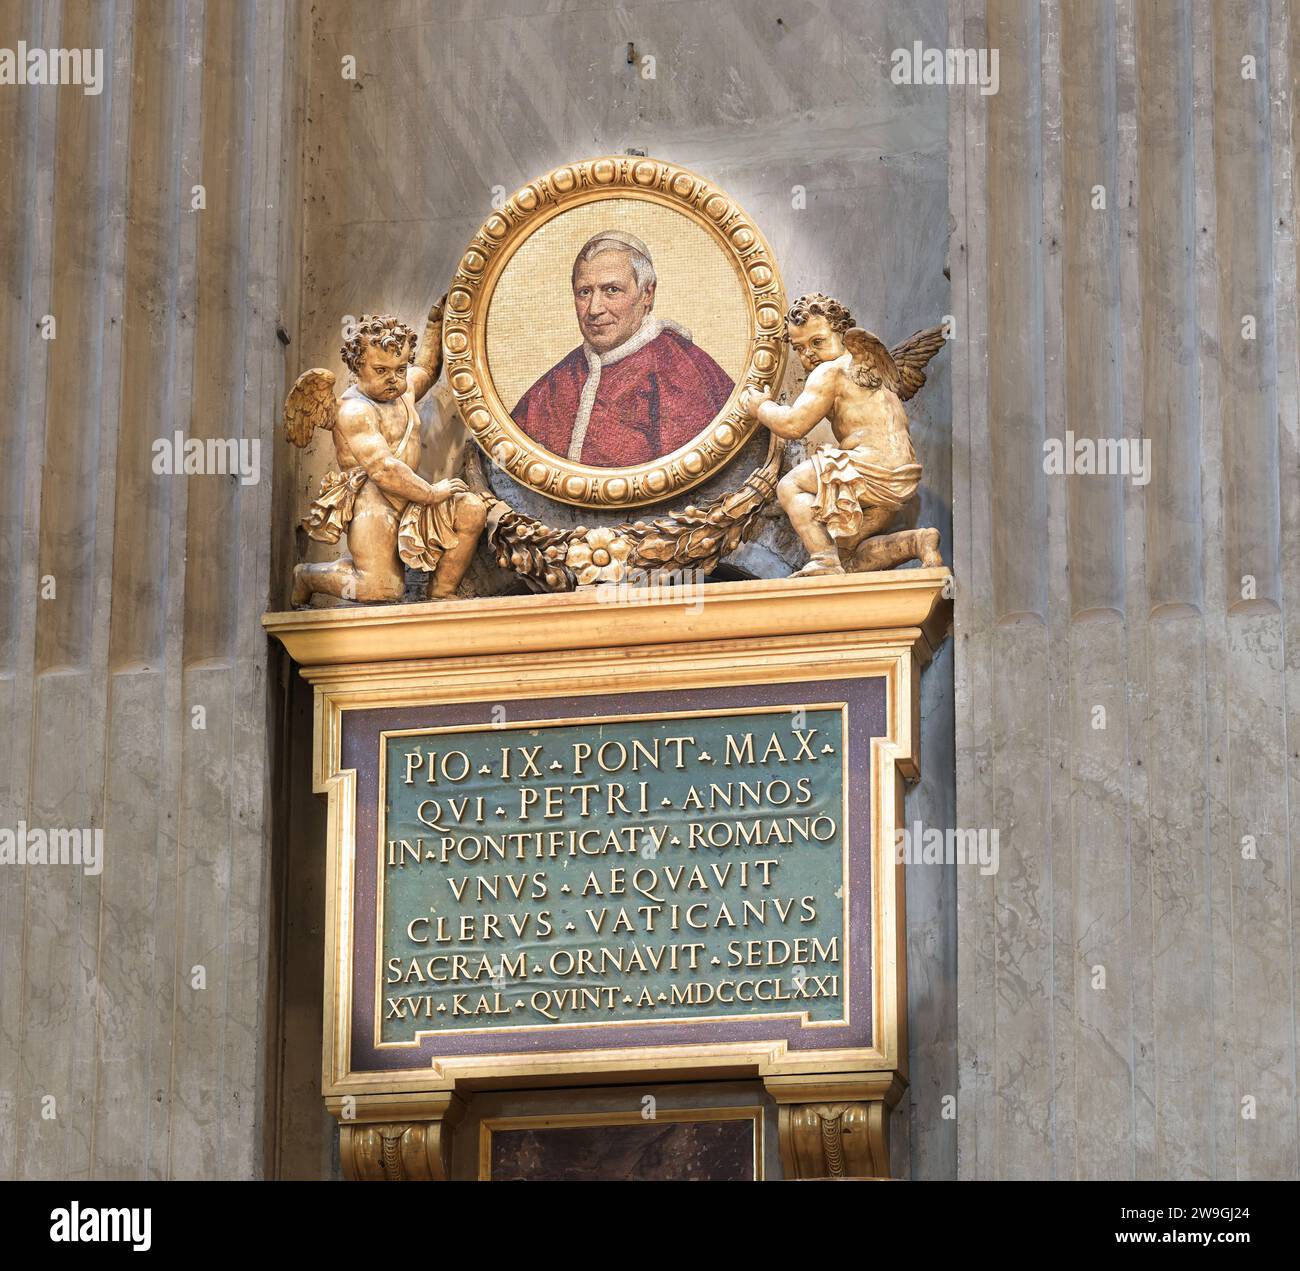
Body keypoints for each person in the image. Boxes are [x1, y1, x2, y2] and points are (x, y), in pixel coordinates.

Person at [511, 231, 734, 467]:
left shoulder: (683, 366)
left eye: (612, 290)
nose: (594, 308)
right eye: (584, 292)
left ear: (647, 293)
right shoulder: (559, 378)